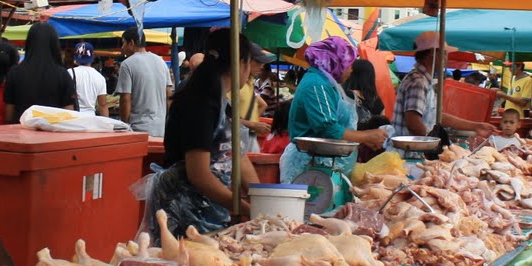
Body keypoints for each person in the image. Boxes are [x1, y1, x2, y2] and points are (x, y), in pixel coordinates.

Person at [147, 32, 265, 237]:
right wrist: (245, 208)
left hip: (209, 211)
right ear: (241, 63)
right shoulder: (200, 103)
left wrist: (262, 200)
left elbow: (237, 155)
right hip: (185, 214)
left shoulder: (221, 103)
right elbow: (198, 174)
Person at [279, 36, 389, 184]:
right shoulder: (316, 84)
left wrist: (362, 140)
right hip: (308, 167)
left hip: (323, 166)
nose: (350, 70)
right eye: (348, 64)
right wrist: (366, 136)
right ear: (335, 62)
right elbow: (328, 129)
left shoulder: (328, 83)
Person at [394, 32, 493, 139]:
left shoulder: (424, 81)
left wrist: (476, 126)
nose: (446, 58)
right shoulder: (418, 82)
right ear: (433, 53)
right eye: (444, 53)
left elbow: (437, 116)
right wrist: (433, 143)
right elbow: (413, 122)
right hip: (409, 151)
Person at [1, 22, 75, 120]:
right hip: (53, 132)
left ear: (29, 43)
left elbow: (9, 113)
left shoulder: (14, 73)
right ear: (54, 44)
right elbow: (69, 113)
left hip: (21, 131)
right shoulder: (63, 75)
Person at [116, 27, 174, 136]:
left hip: (138, 128)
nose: (122, 48)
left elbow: (125, 98)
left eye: (123, 43)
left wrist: (124, 123)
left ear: (131, 43)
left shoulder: (127, 64)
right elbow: (169, 95)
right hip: (160, 127)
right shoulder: (161, 62)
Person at [68, 41, 109, 116]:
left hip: (72, 117)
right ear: (92, 56)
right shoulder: (100, 77)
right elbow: (103, 105)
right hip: (91, 118)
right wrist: (107, 125)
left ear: (76, 59)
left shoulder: (69, 73)